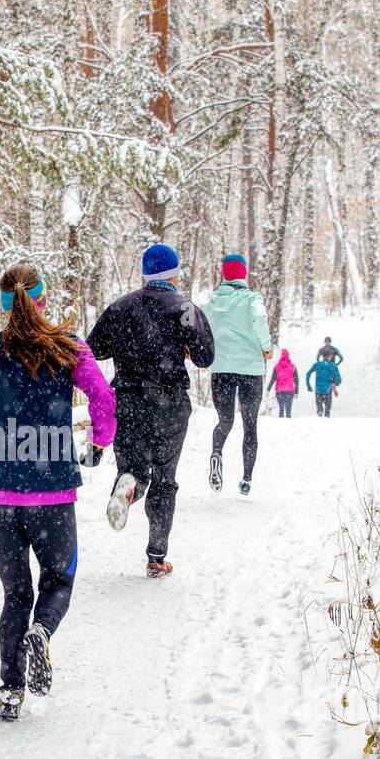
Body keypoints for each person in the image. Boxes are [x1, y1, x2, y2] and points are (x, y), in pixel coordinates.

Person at [0, 264, 117, 720]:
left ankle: (9, 691)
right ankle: (42, 633)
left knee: (15, 594)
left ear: (3, 305)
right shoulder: (68, 348)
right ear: (43, 299)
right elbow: (103, 400)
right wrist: (100, 439)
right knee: (59, 580)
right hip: (52, 493)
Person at [87, 243, 214, 578]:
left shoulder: (120, 307)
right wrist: (182, 347)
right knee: (164, 479)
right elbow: (206, 357)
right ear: (173, 273)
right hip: (170, 403)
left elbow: (92, 349)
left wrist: (127, 346)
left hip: (128, 401)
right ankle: (156, 558)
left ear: (145, 274)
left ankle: (127, 486)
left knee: (135, 468)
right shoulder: (185, 309)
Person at [205, 253, 271, 496]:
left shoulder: (213, 302)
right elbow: (260, 318)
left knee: (225, 420)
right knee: (250, 425)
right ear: (243, 274)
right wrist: (266, 345)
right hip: (250, 370)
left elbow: (201, 323)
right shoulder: (252, 298)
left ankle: (216, 453)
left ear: (224, 275)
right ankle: (246, 480)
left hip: (221, 369)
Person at [306, 350, 343, 417]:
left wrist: (308, 385)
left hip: (318, 390)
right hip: (328, 391)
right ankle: (326, 422)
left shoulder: (317, 365)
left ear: (322, 356)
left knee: (319, 409)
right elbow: (339, 380)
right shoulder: (333, 366)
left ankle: (319, 418)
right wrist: (335, 383)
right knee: (327, 410)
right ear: (330, 356)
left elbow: (308, 374)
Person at [267, 348, 299, 418]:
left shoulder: (277, 367)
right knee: (288, 410)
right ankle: (288, 424)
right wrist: (296, 392)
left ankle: (281, 424)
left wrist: (268, 389)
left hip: (279, 391)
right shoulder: (293, 367)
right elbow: (296, 381)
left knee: (281, 409)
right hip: (289, 391)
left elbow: (273, 379)